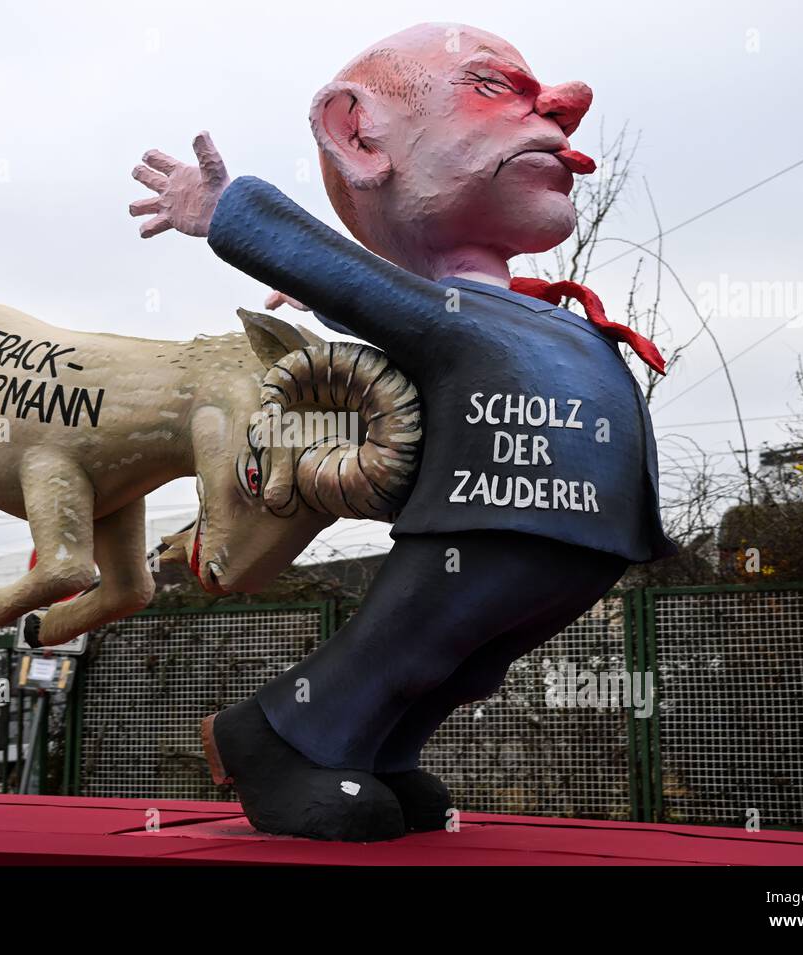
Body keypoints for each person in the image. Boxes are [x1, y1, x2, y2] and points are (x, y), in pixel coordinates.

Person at [129, 22, 677, 841]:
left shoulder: (535, 311)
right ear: (360, 134)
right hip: (486, 514)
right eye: (496, 87)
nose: (561, 111)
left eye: (545, 98)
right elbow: (342, 275)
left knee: (471, 664)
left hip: (586, 533)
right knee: (422, 636)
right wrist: (228, 211)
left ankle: (377, 752)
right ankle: (269, 734)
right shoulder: (450, 313)